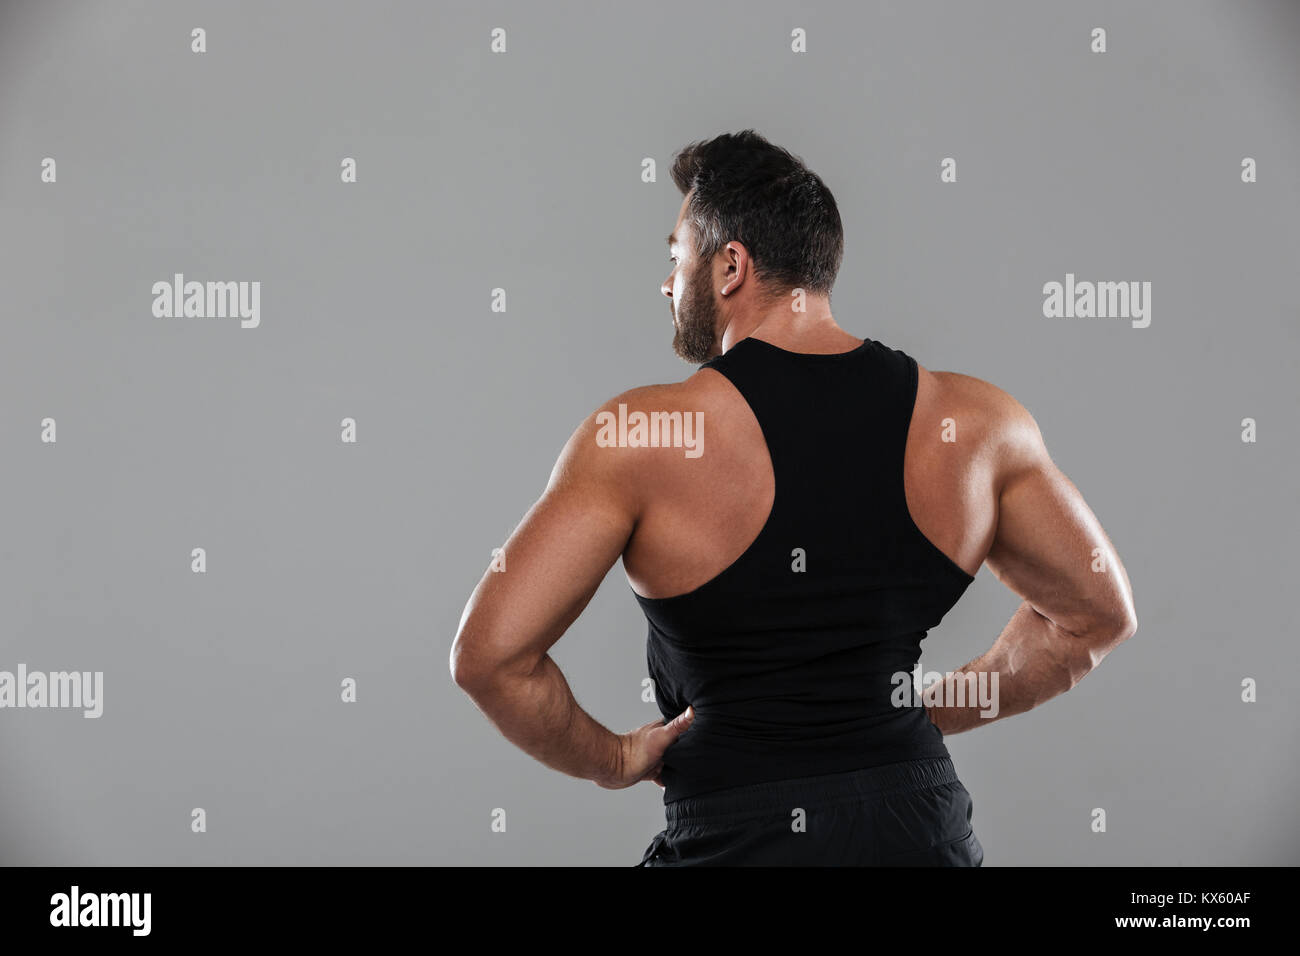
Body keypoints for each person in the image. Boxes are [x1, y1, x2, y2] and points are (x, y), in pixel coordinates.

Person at [449, 130, 1137, 866]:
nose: (666, 282)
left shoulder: (642, 435)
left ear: (730, 266)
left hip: (739, 836)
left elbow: (489, 658)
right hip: (918, 831)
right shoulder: (977, 424)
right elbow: (1097, 615)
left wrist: (614, 759)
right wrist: (915, 707)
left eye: (675, 255)